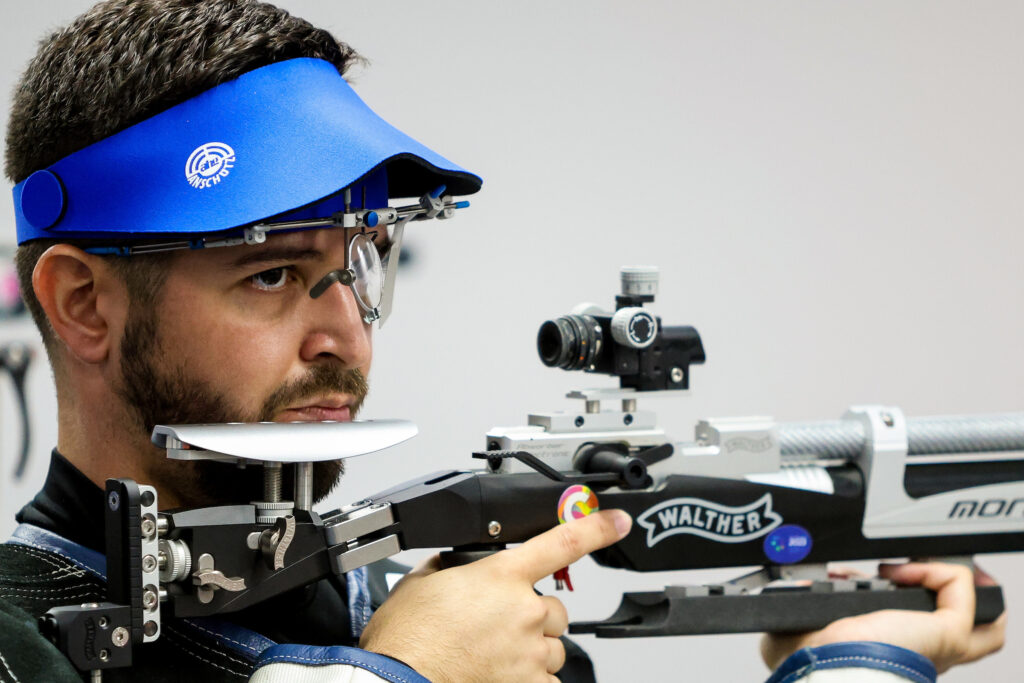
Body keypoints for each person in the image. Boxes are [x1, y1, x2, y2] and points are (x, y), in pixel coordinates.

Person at [0, 2, 1006, 682]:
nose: (344, 330)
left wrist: (850, 652)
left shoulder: (464, 622)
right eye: (272, 273)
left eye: (359, 264)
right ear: (83, 302)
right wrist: (402, 672)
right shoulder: (17, 633)